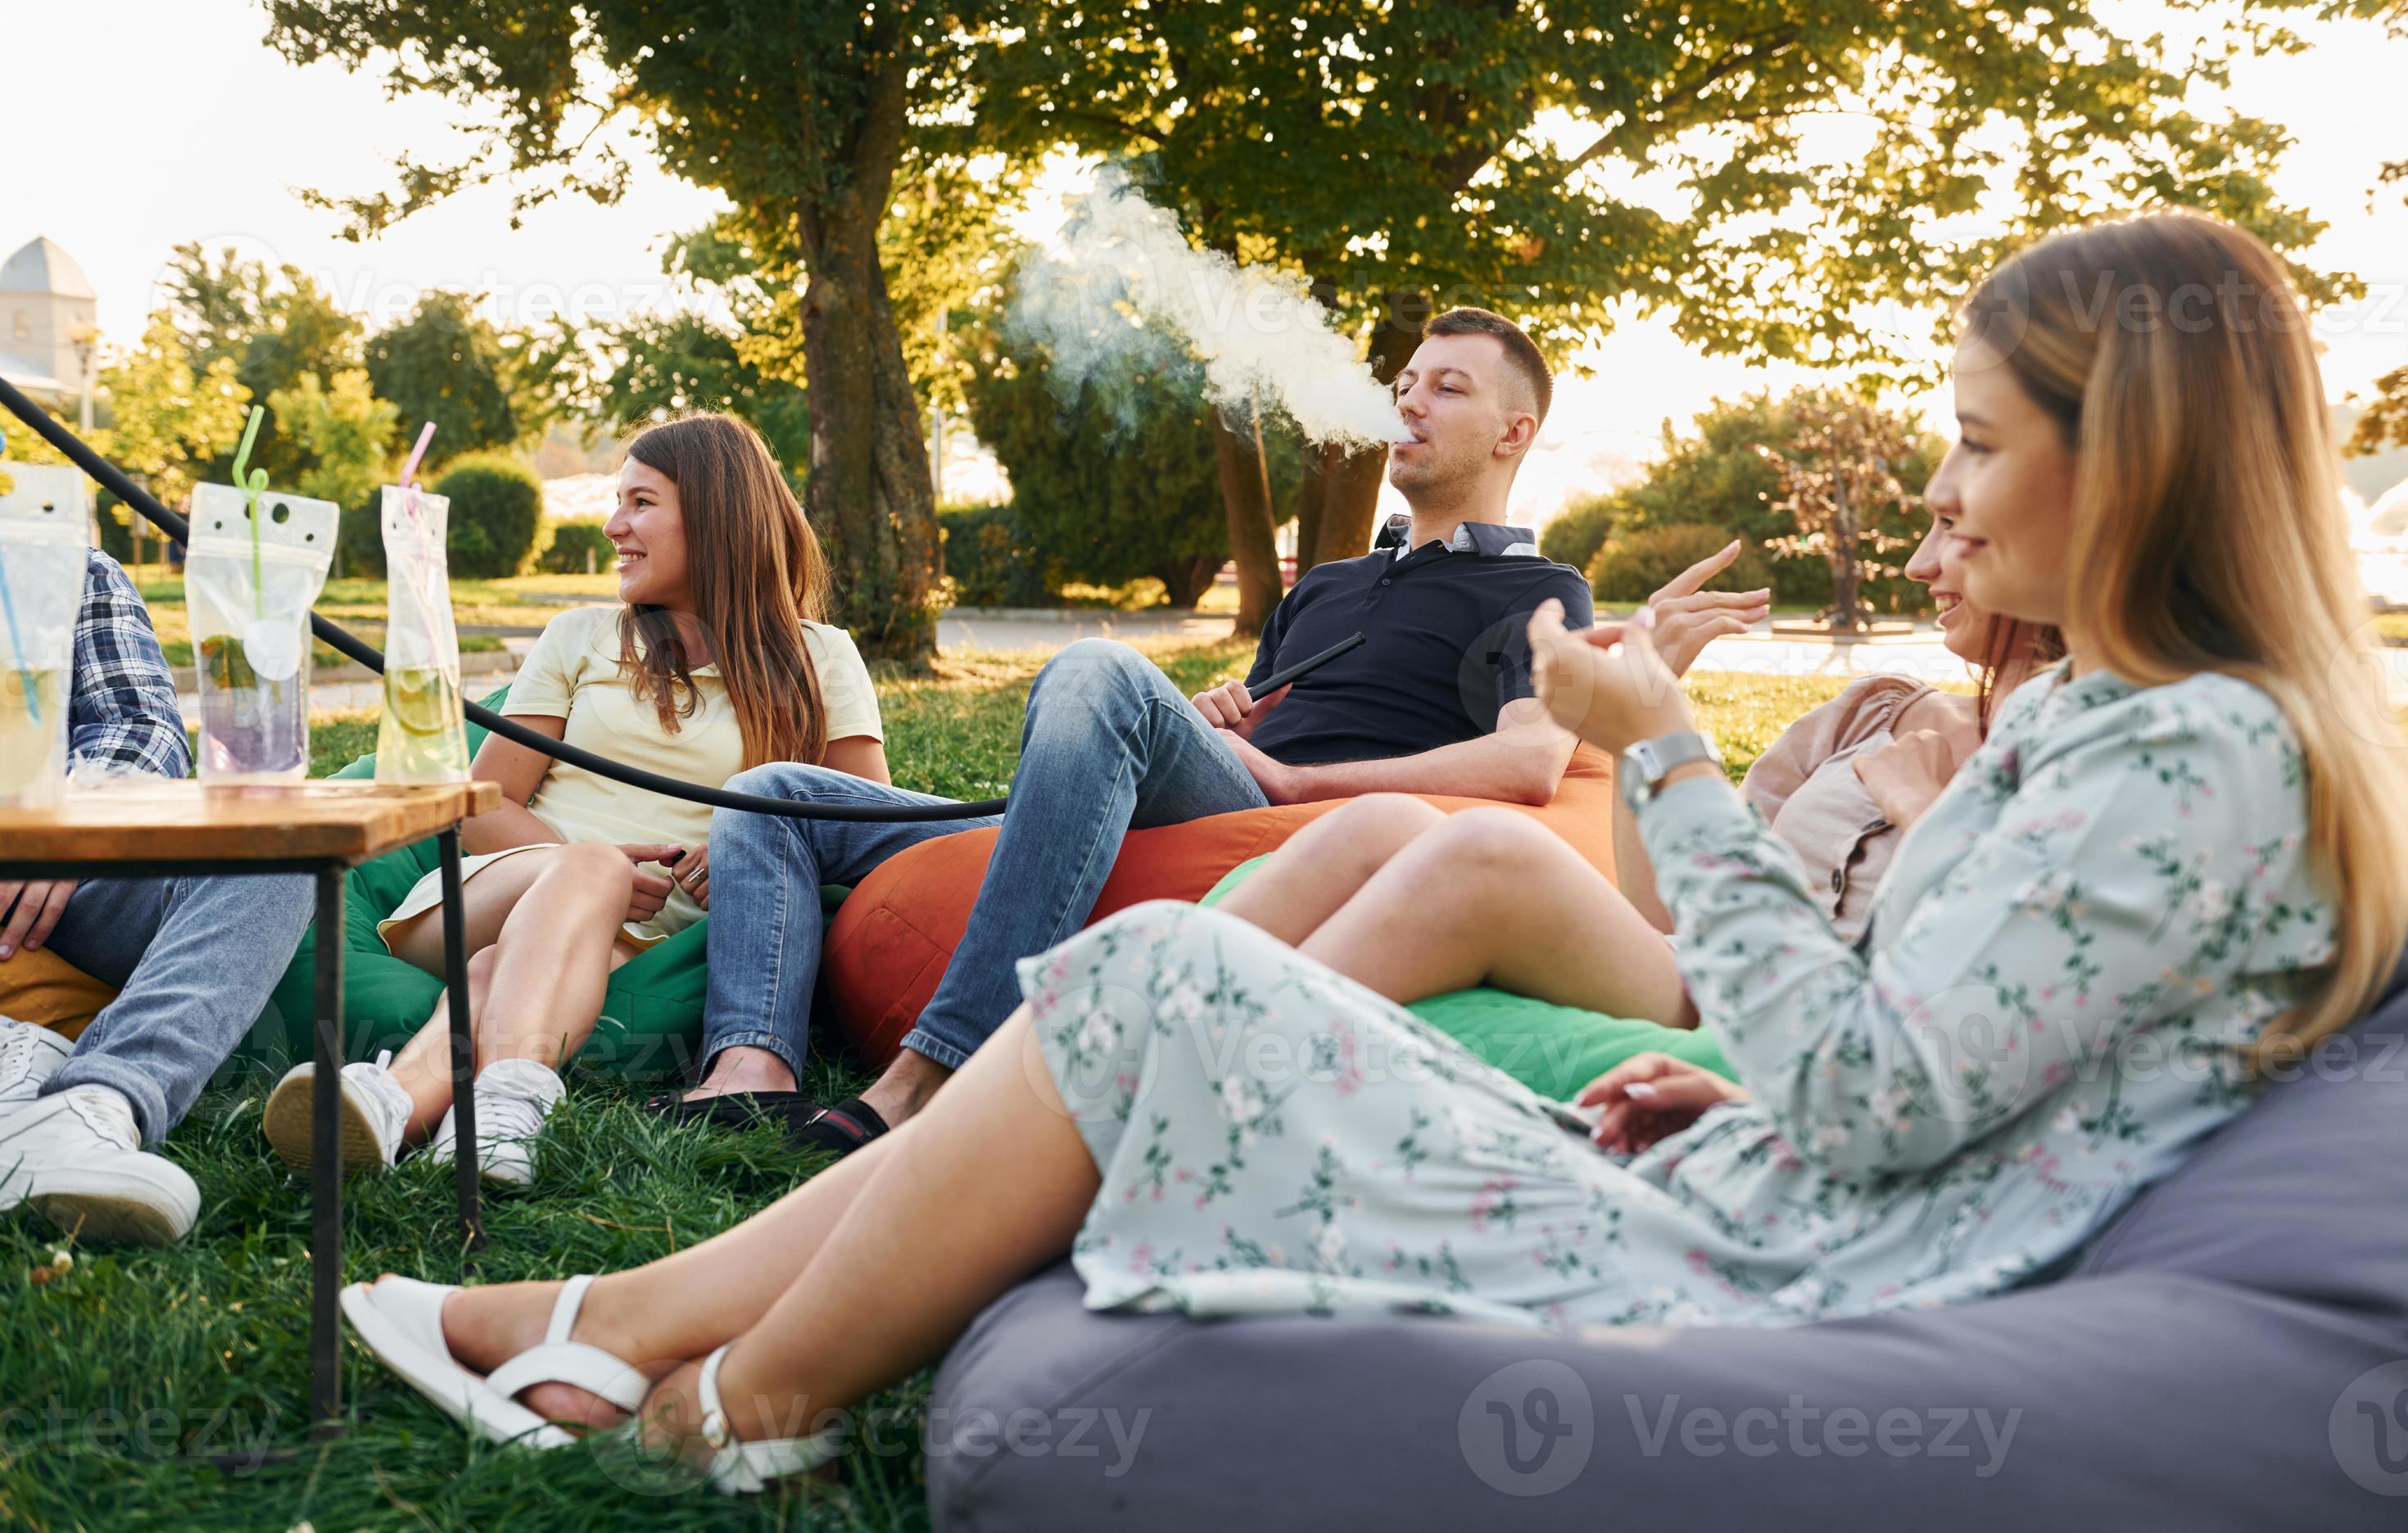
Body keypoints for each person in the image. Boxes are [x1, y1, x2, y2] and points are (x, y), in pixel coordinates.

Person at [338, 210, 2408, 1490]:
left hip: (1787, 1267)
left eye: (1976, 437)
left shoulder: (2195, 752)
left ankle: (701, 1393)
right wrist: (1744, 1086)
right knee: (1134, 941)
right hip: (1763, 1175)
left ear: (2128, 458)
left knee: (1160, 976)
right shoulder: (2135, 724)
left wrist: (1672, 755)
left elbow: (1887, 1087)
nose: (1946, 482)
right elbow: (1951, 1052)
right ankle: (641, 1322)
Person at [680, 307, 1595, 1155]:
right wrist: (1213, 717)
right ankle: (749, 1072)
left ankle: (937, 1072)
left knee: (1099, 667)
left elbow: (1530, 761)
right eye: (1406, 383)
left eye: (1448, 388)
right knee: (774, 794)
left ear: (1514, 433)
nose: (1410, 402)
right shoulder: (1328, 584)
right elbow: (1267, 716)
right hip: (1210, 796)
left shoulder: (1540, 589)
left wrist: (1291, 782)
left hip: (1301, 824)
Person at [260, 414, 888, 1183]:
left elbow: (863, 826)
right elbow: (482, 803)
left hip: (650, 942)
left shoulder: (821, 658)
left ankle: (396, 1103)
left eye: (641, 503)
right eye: (618, 501)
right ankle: (516, 1104)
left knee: (498, 974)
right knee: (589, 868)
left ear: (719, 515)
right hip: (492, 890)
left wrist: (742, 854)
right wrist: (589, 867)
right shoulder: (580, 637)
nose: (613, 525)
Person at [1206, 515, 2062, 1022]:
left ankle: (1196, 1067)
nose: (1918, 563)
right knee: (1381, 823)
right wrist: (1648, 703)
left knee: (1486, 855)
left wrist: (1934, 824)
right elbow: (1662, 910)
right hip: (1692, 958)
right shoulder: (1871, 712)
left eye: (1952, 526)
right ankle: (1152, 1009)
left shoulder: (2081, 759)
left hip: (1769, 998)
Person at [0, 545, 314, 1244]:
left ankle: (94, 1104)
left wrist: (63, 826)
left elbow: (144, 732)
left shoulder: (71, 569)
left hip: (58, 872)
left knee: (280, 841)